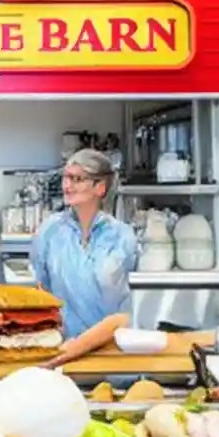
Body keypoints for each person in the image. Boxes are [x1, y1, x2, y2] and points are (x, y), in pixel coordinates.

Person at [29, 148, 139, 367]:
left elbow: (130, 305)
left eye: (77, 179)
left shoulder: (122, 236)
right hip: (63, 351)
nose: (67, 186)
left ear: (100, 187)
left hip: (113, 350)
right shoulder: (49, 231)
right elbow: (42, 291)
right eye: (66, 178)